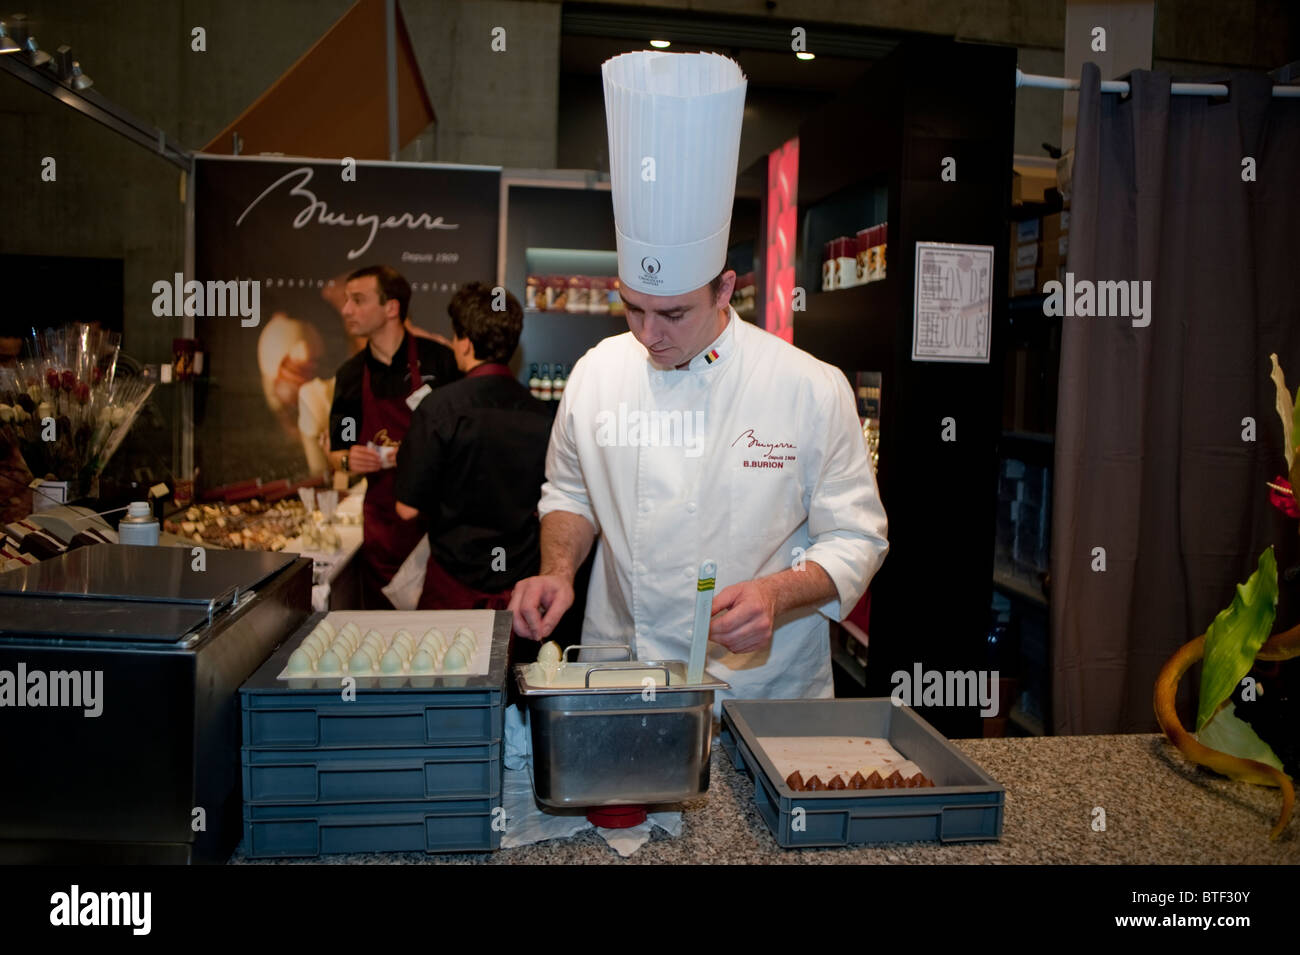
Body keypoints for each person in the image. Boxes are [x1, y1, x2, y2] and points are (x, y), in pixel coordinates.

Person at [507, 50, 889, 705]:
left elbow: (858, 536)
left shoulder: (808, 388)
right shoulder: (596, 376)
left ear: (725, 290)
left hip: (760, 692)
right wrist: (558, 570)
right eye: (633, 308)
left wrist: (778, 591)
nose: (648, 334)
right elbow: (569, 493)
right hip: (621, 681)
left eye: (673, 313)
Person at [395, 283, 551, 609]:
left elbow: (406, 508)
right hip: (519, 587)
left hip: (454, 585)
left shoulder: (438, 409)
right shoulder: (543, 415)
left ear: (465, 344)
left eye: (454, 337)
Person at [327, 264, 459, 608]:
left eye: (358, 300)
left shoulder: (440, 360)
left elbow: (465, 440)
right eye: (346, 301)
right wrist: (347, 459)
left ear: (391, 308)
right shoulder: (351, 376)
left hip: (438, 525)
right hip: (384, 529)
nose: (346, 310)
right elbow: (338, 451)